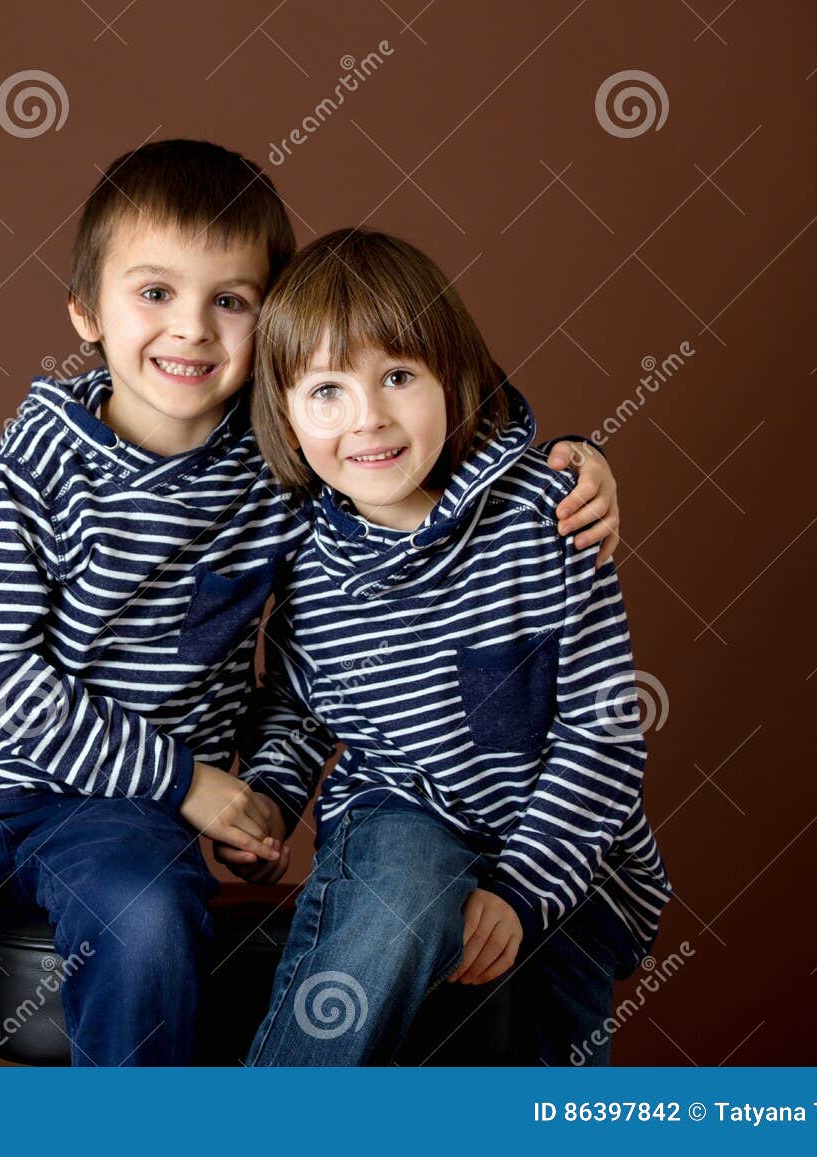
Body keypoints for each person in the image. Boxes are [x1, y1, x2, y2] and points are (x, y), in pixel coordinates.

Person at [0, 142, 619, 1066]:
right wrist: (192, 784)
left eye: (230, 301)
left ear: (268, 327)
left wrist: (571, 458)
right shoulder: (35, 467)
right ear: (86, 311)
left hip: (119, 815)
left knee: (150, 920)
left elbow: (414, 465)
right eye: (155, 293)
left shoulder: (283, 458)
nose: (191, 329)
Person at [228, 227, 670, 1066]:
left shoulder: (547, 517)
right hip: (404, 811)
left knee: (549, 1057)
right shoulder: (308, 557)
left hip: (563, 838)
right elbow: (297, 706)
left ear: (450, 376)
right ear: (285, 413)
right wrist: (273, 801)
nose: (370, 419)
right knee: (395, 897)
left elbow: (603, 731)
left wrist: (520, 889)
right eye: (326, 390)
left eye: (398, 376)